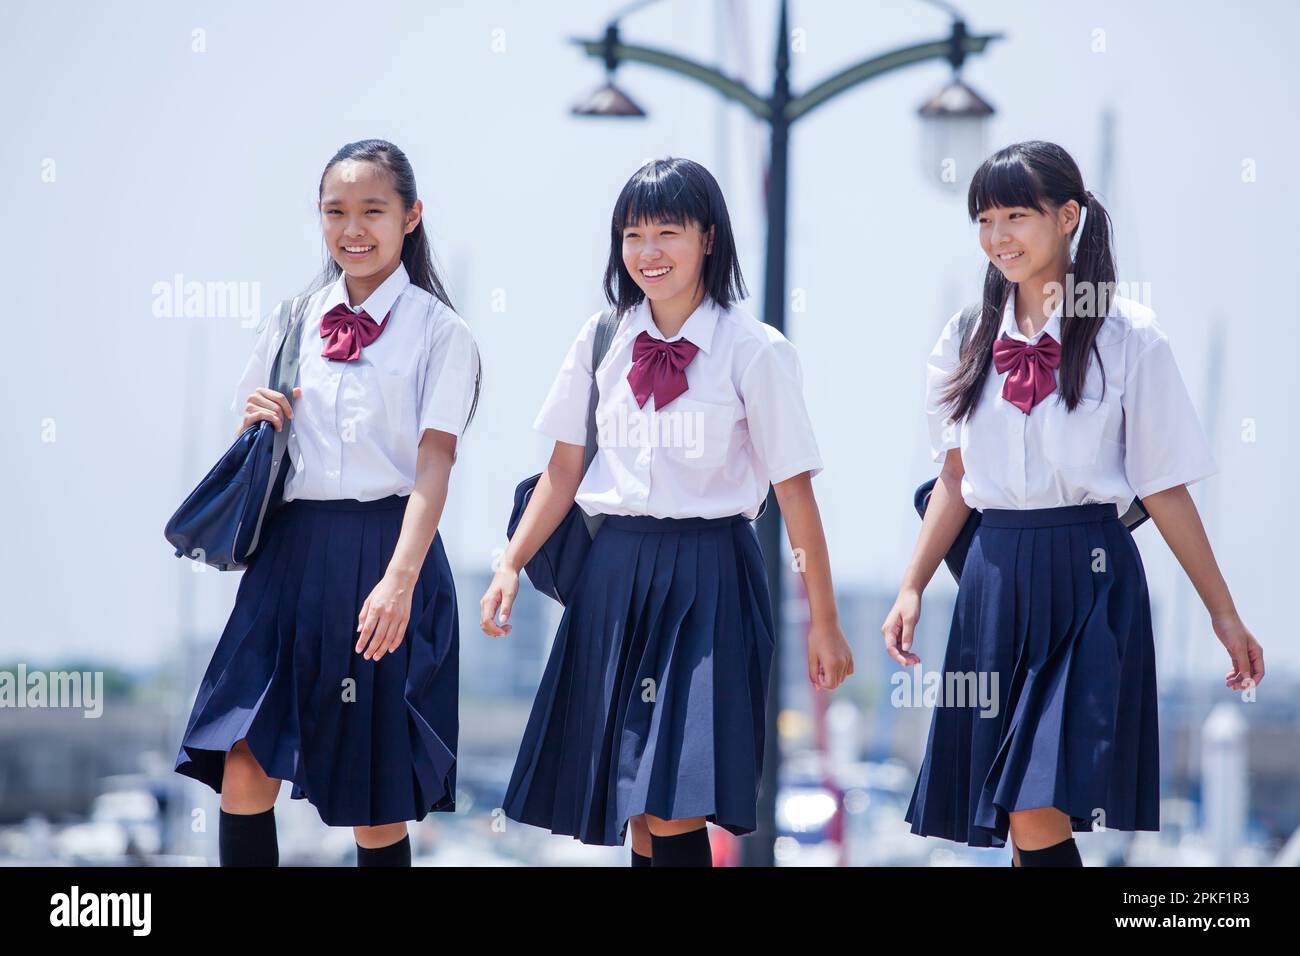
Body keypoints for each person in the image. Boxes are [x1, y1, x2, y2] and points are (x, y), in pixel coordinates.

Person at [883, 140, 1264, 866]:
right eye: (985, 219)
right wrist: (911, 586)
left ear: (1068, 217)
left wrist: (1223, 612)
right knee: (1020, 808)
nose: (998, 237)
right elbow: (956, 480)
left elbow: (1165, 488)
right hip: (995, 581)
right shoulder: (965, 339)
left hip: (1090, 583)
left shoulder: (1130, 339)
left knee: (1036, 803)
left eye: (1016, 216)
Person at [480, 157, 853, 867]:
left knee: (672, 798)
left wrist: (826, 623)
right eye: (632, 234)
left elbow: (795, 495)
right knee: (638, 806)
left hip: (711, 576)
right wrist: (509, 564)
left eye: (667, 233)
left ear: (708, 239)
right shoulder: (601, 341)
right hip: (614, 578)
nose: (647, 252)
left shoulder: (755, 351)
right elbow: (563, 472)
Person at [174, 139, 481, 867]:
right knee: (244, 764)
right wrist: (256, 418)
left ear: (411, 217)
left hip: (388, 549)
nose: (353, 229)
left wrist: (399, 583)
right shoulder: (292, 319)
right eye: (335, 211)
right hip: (290, 553)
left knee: (374, 802)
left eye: (372, 210)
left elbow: (435, 465)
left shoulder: (443, 333)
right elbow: (260, 443)